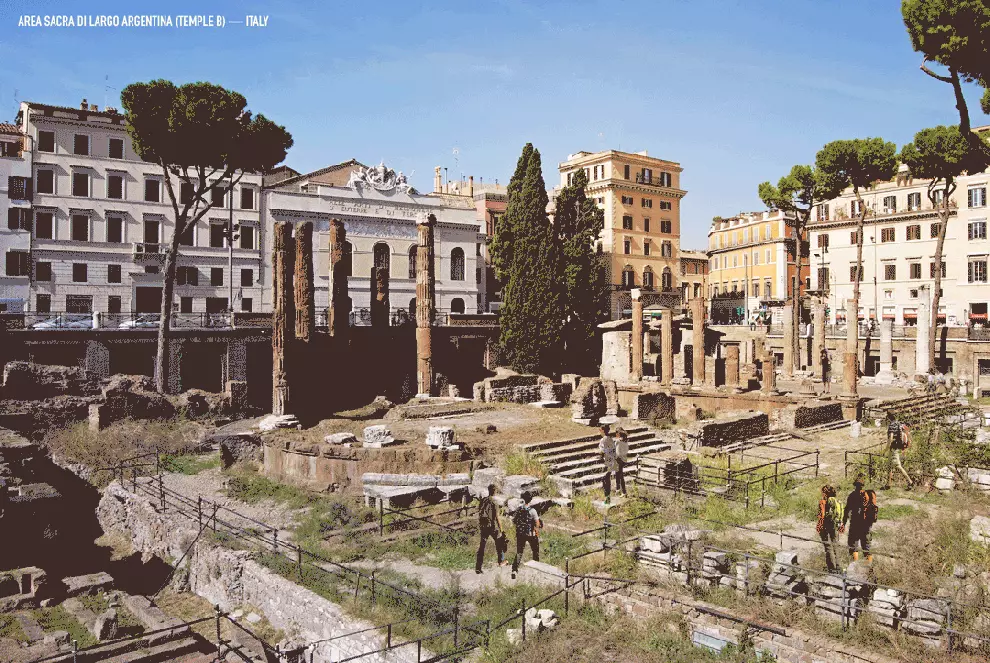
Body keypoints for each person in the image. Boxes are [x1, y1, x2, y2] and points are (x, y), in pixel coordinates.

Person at [840, 475, 877, 562]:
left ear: (855, 485)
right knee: (866, 547)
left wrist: (843, 523)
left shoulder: (852, 496)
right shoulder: (867, 495)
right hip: (866, 525)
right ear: (863, 485)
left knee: (853, 547)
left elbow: (846, 511)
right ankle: (869, 568)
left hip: (855, 524)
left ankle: (854, 566)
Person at [511, 491, 542, 579]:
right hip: (530, 534)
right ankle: (536, 569)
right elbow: (537, 524)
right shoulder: (532, 511)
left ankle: (514, 569)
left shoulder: (519, 509)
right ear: (530, 500)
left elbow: (513, 521)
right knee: (535, 551)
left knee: (519, 552)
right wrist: (536, 529)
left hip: (520, 534)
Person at [475, 484, 505, 574]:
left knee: (482, 546)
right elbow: (497, 518)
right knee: (499, 541)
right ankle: (501, 561)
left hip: (483, 526)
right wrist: (502, 529)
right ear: (494, 491)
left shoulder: (483, 500)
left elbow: (479, 512)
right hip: (491, 526)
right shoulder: (494, 502)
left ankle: (478, 567)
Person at [816, 484, 842, 572]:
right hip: (834, 524)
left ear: (825, 493)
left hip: (825, 525)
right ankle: (838, 566)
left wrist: (819, 525)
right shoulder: (835, 501)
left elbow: (822, 515)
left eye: (822, 492)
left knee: (828, 546)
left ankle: (831, 567)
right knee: (835, 545)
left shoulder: (822, 502)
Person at [884, 412, 912, 489]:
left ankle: (910, 482)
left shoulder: (892, 425)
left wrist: (885, 449)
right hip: (895, 447)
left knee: (898, 466)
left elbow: (891, 437)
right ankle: (888, 484)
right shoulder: (898, 423)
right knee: (889, 466)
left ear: (888, 418)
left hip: (893, 448)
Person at [598, 424, 618, 505]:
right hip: (611, 461)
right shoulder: (611, 439)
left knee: (605, 480)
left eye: (600, 429)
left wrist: (600, 456)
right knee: (607, 479)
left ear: (603, 430)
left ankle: (607, 498)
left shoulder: (603, 440)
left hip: (607, 462)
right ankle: (608, 497)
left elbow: (602, 451)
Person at [614, 427, 629, 497]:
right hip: (623, 459)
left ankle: (624, 492)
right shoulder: (626, 441)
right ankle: (617, 489)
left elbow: (617, 452)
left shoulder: (618, 441)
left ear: (618, 434)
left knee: (620, 476)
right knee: (617, 474)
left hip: (619, 460)